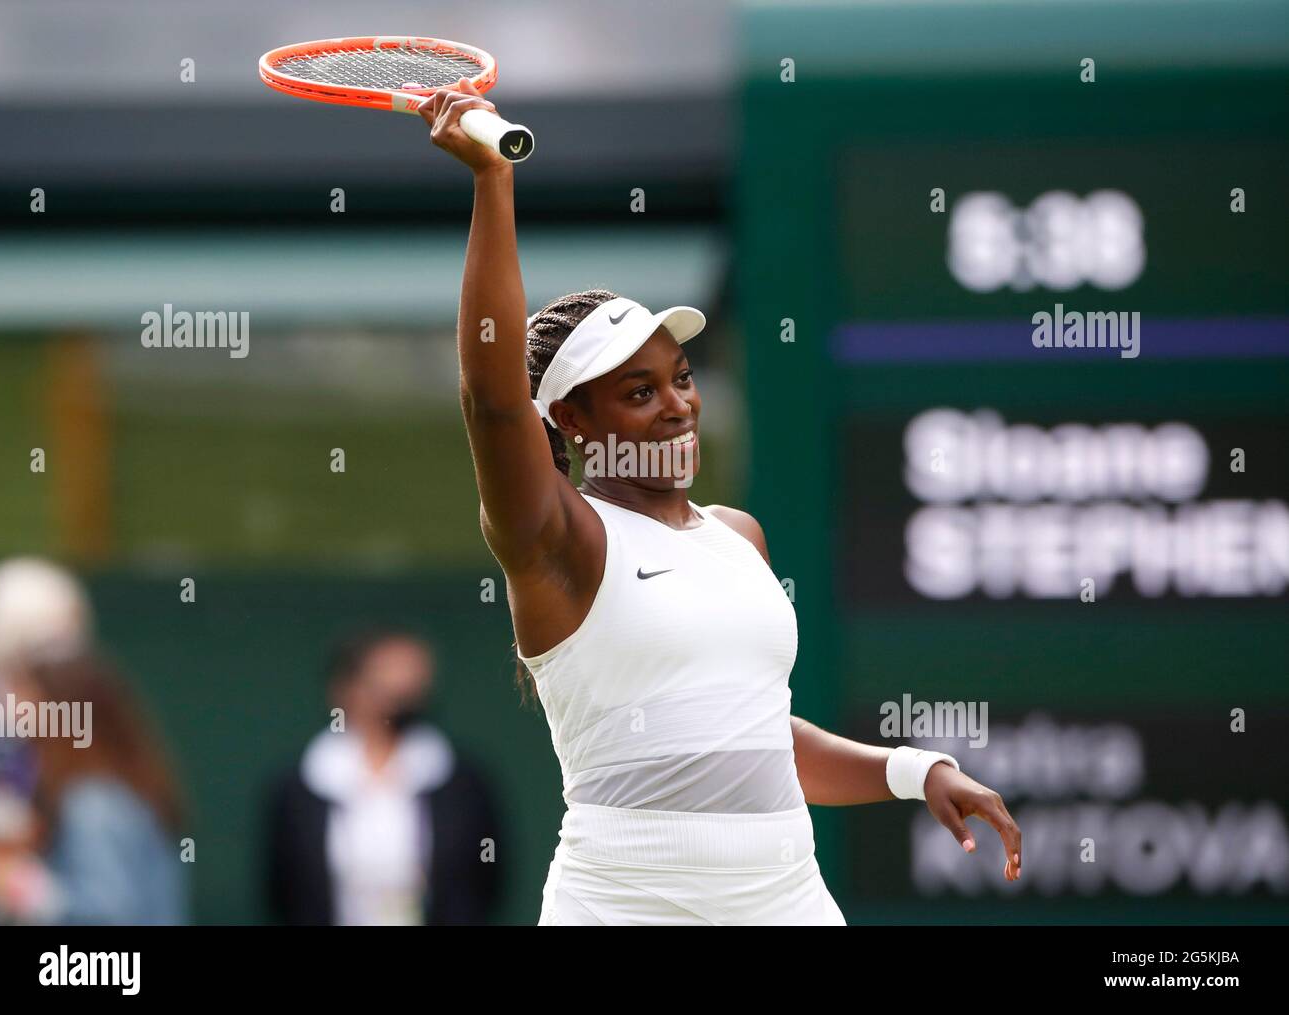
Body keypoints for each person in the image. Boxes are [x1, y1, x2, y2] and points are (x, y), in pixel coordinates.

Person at [420, 79, 1023, 925]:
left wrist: (914, 769)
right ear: (570, 420)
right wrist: (493, 181)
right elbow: (490, 400)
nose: (678, 403)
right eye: (638, 390)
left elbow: (760, 740)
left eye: (682, 377)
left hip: (785, 897)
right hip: (623, 903)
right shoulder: (561, 537)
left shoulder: (739, 535)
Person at [264, 630, 503, 925]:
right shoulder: (301, 784)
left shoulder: (462, 780)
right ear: (346, 688)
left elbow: (487, 881)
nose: (403, 688)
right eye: (386, 675)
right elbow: (281, 888)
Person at [0, 653, 188, 924]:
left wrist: (21, 885)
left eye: (26, 697)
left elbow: (110, 915)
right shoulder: (105, 793)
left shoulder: (95, 804)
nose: (12, 710)